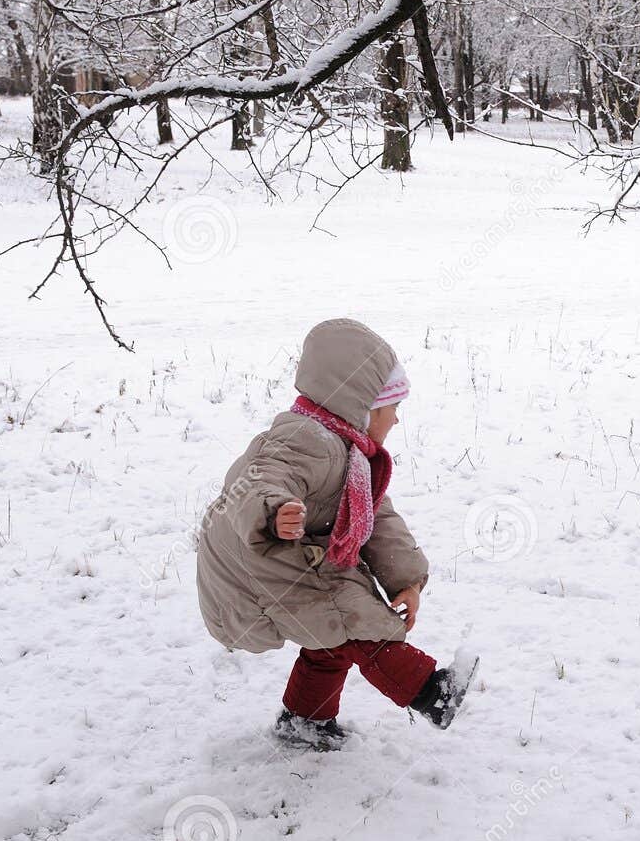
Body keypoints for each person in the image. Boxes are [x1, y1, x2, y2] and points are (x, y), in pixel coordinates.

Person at [196, 318, 476, 751]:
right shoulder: (305, 438)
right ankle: (433, 693)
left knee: (330, 637)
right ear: (362, 407)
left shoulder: (349, 452)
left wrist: (406, 579)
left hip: (284, 561)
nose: (397, 422)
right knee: (356, 624)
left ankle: (304, 722)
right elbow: (256, 481)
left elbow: (379, 518)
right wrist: (275, 511)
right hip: (252, 567)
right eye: (392, 410)